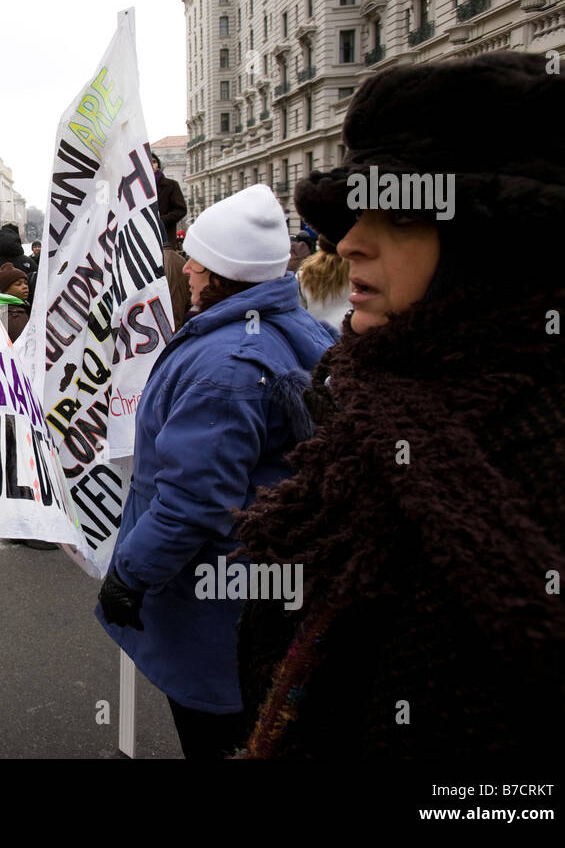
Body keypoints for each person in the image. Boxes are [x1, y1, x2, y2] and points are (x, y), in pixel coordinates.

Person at [235, 53, 565, 758]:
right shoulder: (367, 389)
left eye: (399, 215)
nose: (349, 243)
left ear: (493, 241)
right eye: (352, 212)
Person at [96, 184, 335, 759]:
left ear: (222, 274)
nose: (189, 272)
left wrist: (129, 575)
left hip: (216, 607)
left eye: (198, 262)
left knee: (220, 740)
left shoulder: (226, 364)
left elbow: (193, 501)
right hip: (259, 593)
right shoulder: (288, 327)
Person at [295, 234, 351, 334]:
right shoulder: (358, 271)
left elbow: (299, 313)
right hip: (350, 334)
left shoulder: (304, 274)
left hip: (317, 336)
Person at [0, 262, 30, 342]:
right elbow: (19, 343)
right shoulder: (13, 314)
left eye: (26, 283)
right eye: (18, 284)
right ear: (6, 290)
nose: (25, 287)